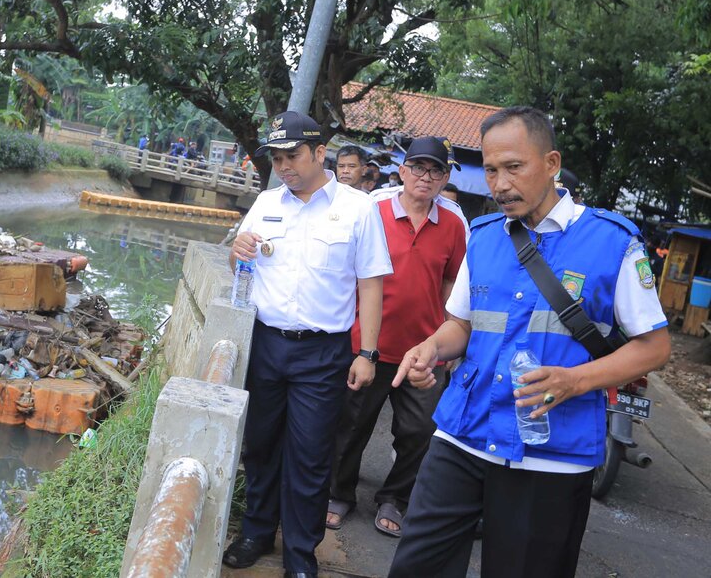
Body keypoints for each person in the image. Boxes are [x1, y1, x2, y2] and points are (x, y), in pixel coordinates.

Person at [388, 106, 671, 578]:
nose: (499, 184)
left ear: (552, 163)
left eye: (513, 167)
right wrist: (431, 349)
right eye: (492, 169)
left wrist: (575, 381)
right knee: (416, 566)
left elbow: (654, 347)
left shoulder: (612, 242)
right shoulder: (482, 237)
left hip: (551, 453)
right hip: (464, 433)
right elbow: (461, 324)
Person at [225, 111, 392, 578]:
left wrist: (367, 352)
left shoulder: (358, 209)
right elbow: (240, 269)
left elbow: (372, 286)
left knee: (310, 455)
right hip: (266, 344)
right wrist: (235, 253)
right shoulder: (265, 203)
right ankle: (257, 532)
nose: (284, 166)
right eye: (276, 158)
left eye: (292, 155)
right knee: (259, 446)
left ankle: (300, 553)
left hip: (323, 354)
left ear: (321, 153)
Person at [327, 136, 467, 537]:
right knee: (351, 423)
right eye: (418, 168)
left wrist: (444, 339)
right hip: (368, 345)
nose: (425, 177)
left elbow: (452, 283)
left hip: (424, 350)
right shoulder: (372, 210)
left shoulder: (455, 224)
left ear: (444, 179)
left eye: (435, 170)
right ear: (402, 171)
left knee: (419, 430)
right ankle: (339, 492)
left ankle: (395, 498)